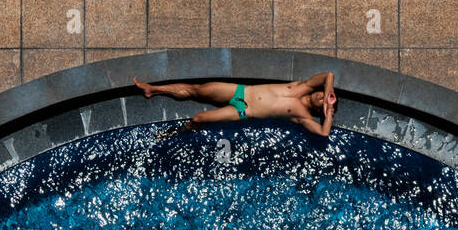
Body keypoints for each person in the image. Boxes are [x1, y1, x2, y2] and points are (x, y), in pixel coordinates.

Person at [133, 73, 337, 137]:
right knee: (198, 89)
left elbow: (323, 133)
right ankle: (153, 89)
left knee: (198, 119)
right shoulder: (302, 87)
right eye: (323, 94)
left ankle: (176, 133)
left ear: (320, 109)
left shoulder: (302, 116)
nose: (321, 95)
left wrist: (329, 113)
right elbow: (329, 75)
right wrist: (330, 96)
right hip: (242, 91)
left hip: (243, 110)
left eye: (323, 100)